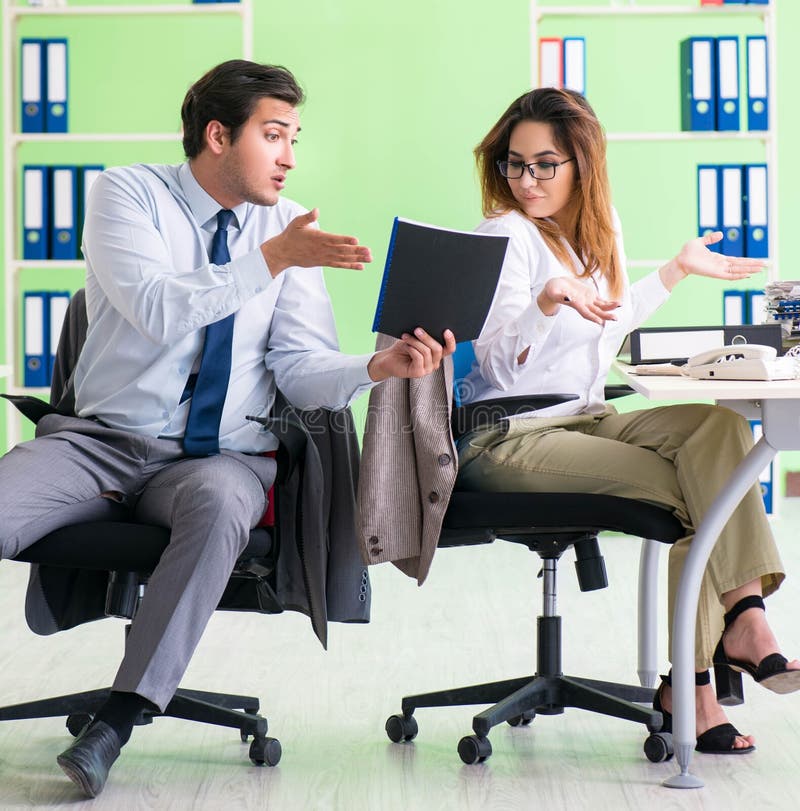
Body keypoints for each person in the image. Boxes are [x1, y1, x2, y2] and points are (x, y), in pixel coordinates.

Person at [0, 59, 454, 798]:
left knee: (222, 504)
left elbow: (298, 368)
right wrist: (272, 257)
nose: (289, 156)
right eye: (274, 135)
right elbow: (158, 306)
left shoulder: (289, 225)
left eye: (294, 137)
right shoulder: (127, 195)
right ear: (218, 135)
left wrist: (377, 368)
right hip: (99, 445)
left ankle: (116, 719)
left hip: (220, 456)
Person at [455, 87, 800, 755]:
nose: (526, 180)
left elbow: (604, 327)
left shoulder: (595, 230)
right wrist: (546, 303)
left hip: (581, 419)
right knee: (702, 487)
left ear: (582, 164)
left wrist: (672, 272)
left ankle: (723, 642)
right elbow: (497, 361)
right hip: (507, 436)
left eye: (544, 164)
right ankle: (707, 668)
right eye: (515, 164)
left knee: (720, 432)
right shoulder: (507, 236)